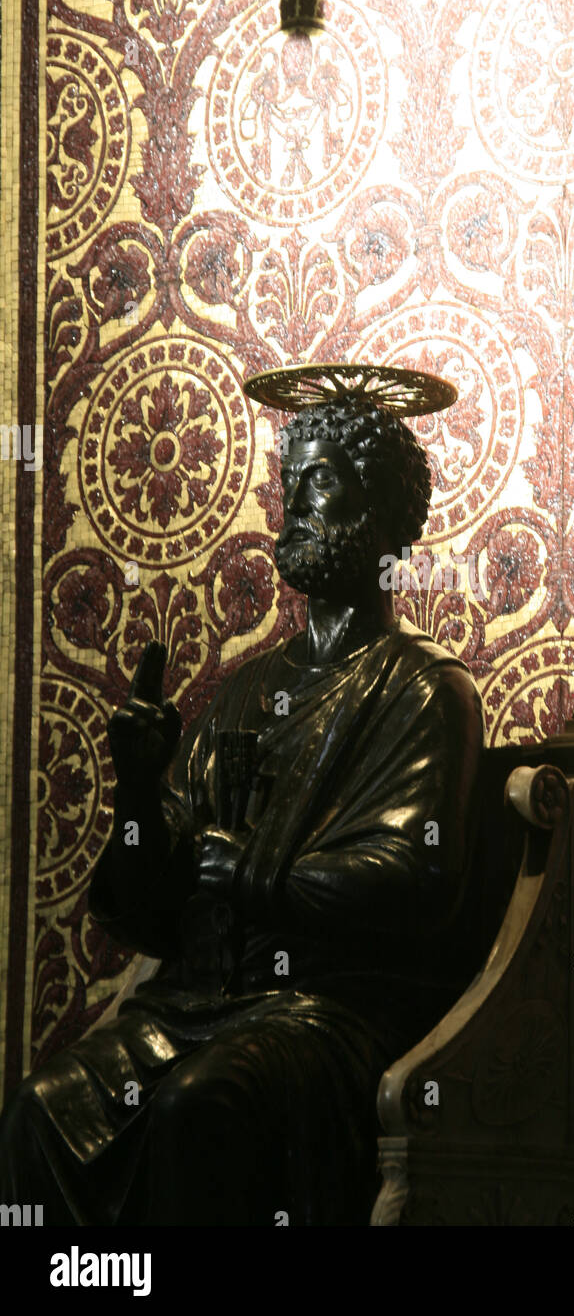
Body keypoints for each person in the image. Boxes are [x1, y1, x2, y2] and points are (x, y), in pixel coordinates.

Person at [0, 396, 484, 1225]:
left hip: (327, 1014)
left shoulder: (423, 689)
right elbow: (149, 916)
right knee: (44, 1108)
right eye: (288, 483)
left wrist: (256, 876)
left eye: (320, 483)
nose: (292, 505)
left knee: (201, 1104)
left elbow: (417, 877)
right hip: (197, 1004)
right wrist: (140, 792)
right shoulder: (247, 691)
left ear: (380, 511)